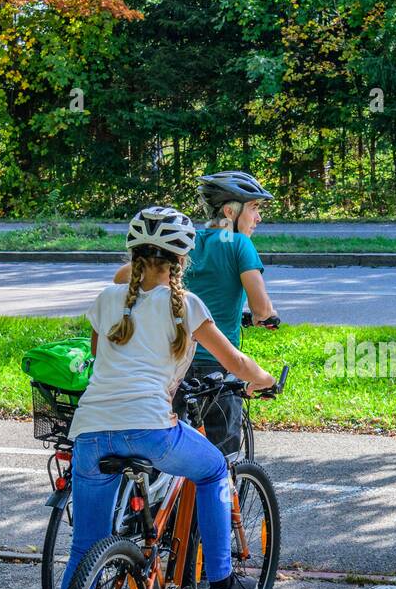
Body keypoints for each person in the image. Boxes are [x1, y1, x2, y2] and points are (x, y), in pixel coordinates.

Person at [65, 206, 277, 589]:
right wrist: (265, 380)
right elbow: (234, 361)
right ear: (182, 261)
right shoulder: (186, 306)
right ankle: (220, 586)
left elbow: (99, 356)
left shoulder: (107, 300)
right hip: (151, 429)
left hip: (89, 433)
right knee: (215, 469)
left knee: (84, 547)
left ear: (134, 255)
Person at [114, 170, 278, 456]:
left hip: (171, 365)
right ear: (230, 211)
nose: (258, 218)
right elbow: (262, 309)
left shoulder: (185, 242)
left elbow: (122, 278)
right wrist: (267, 318)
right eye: (254, 208)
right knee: (222, 462)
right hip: (217, 369)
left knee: (170, 457)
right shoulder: (239, 243)